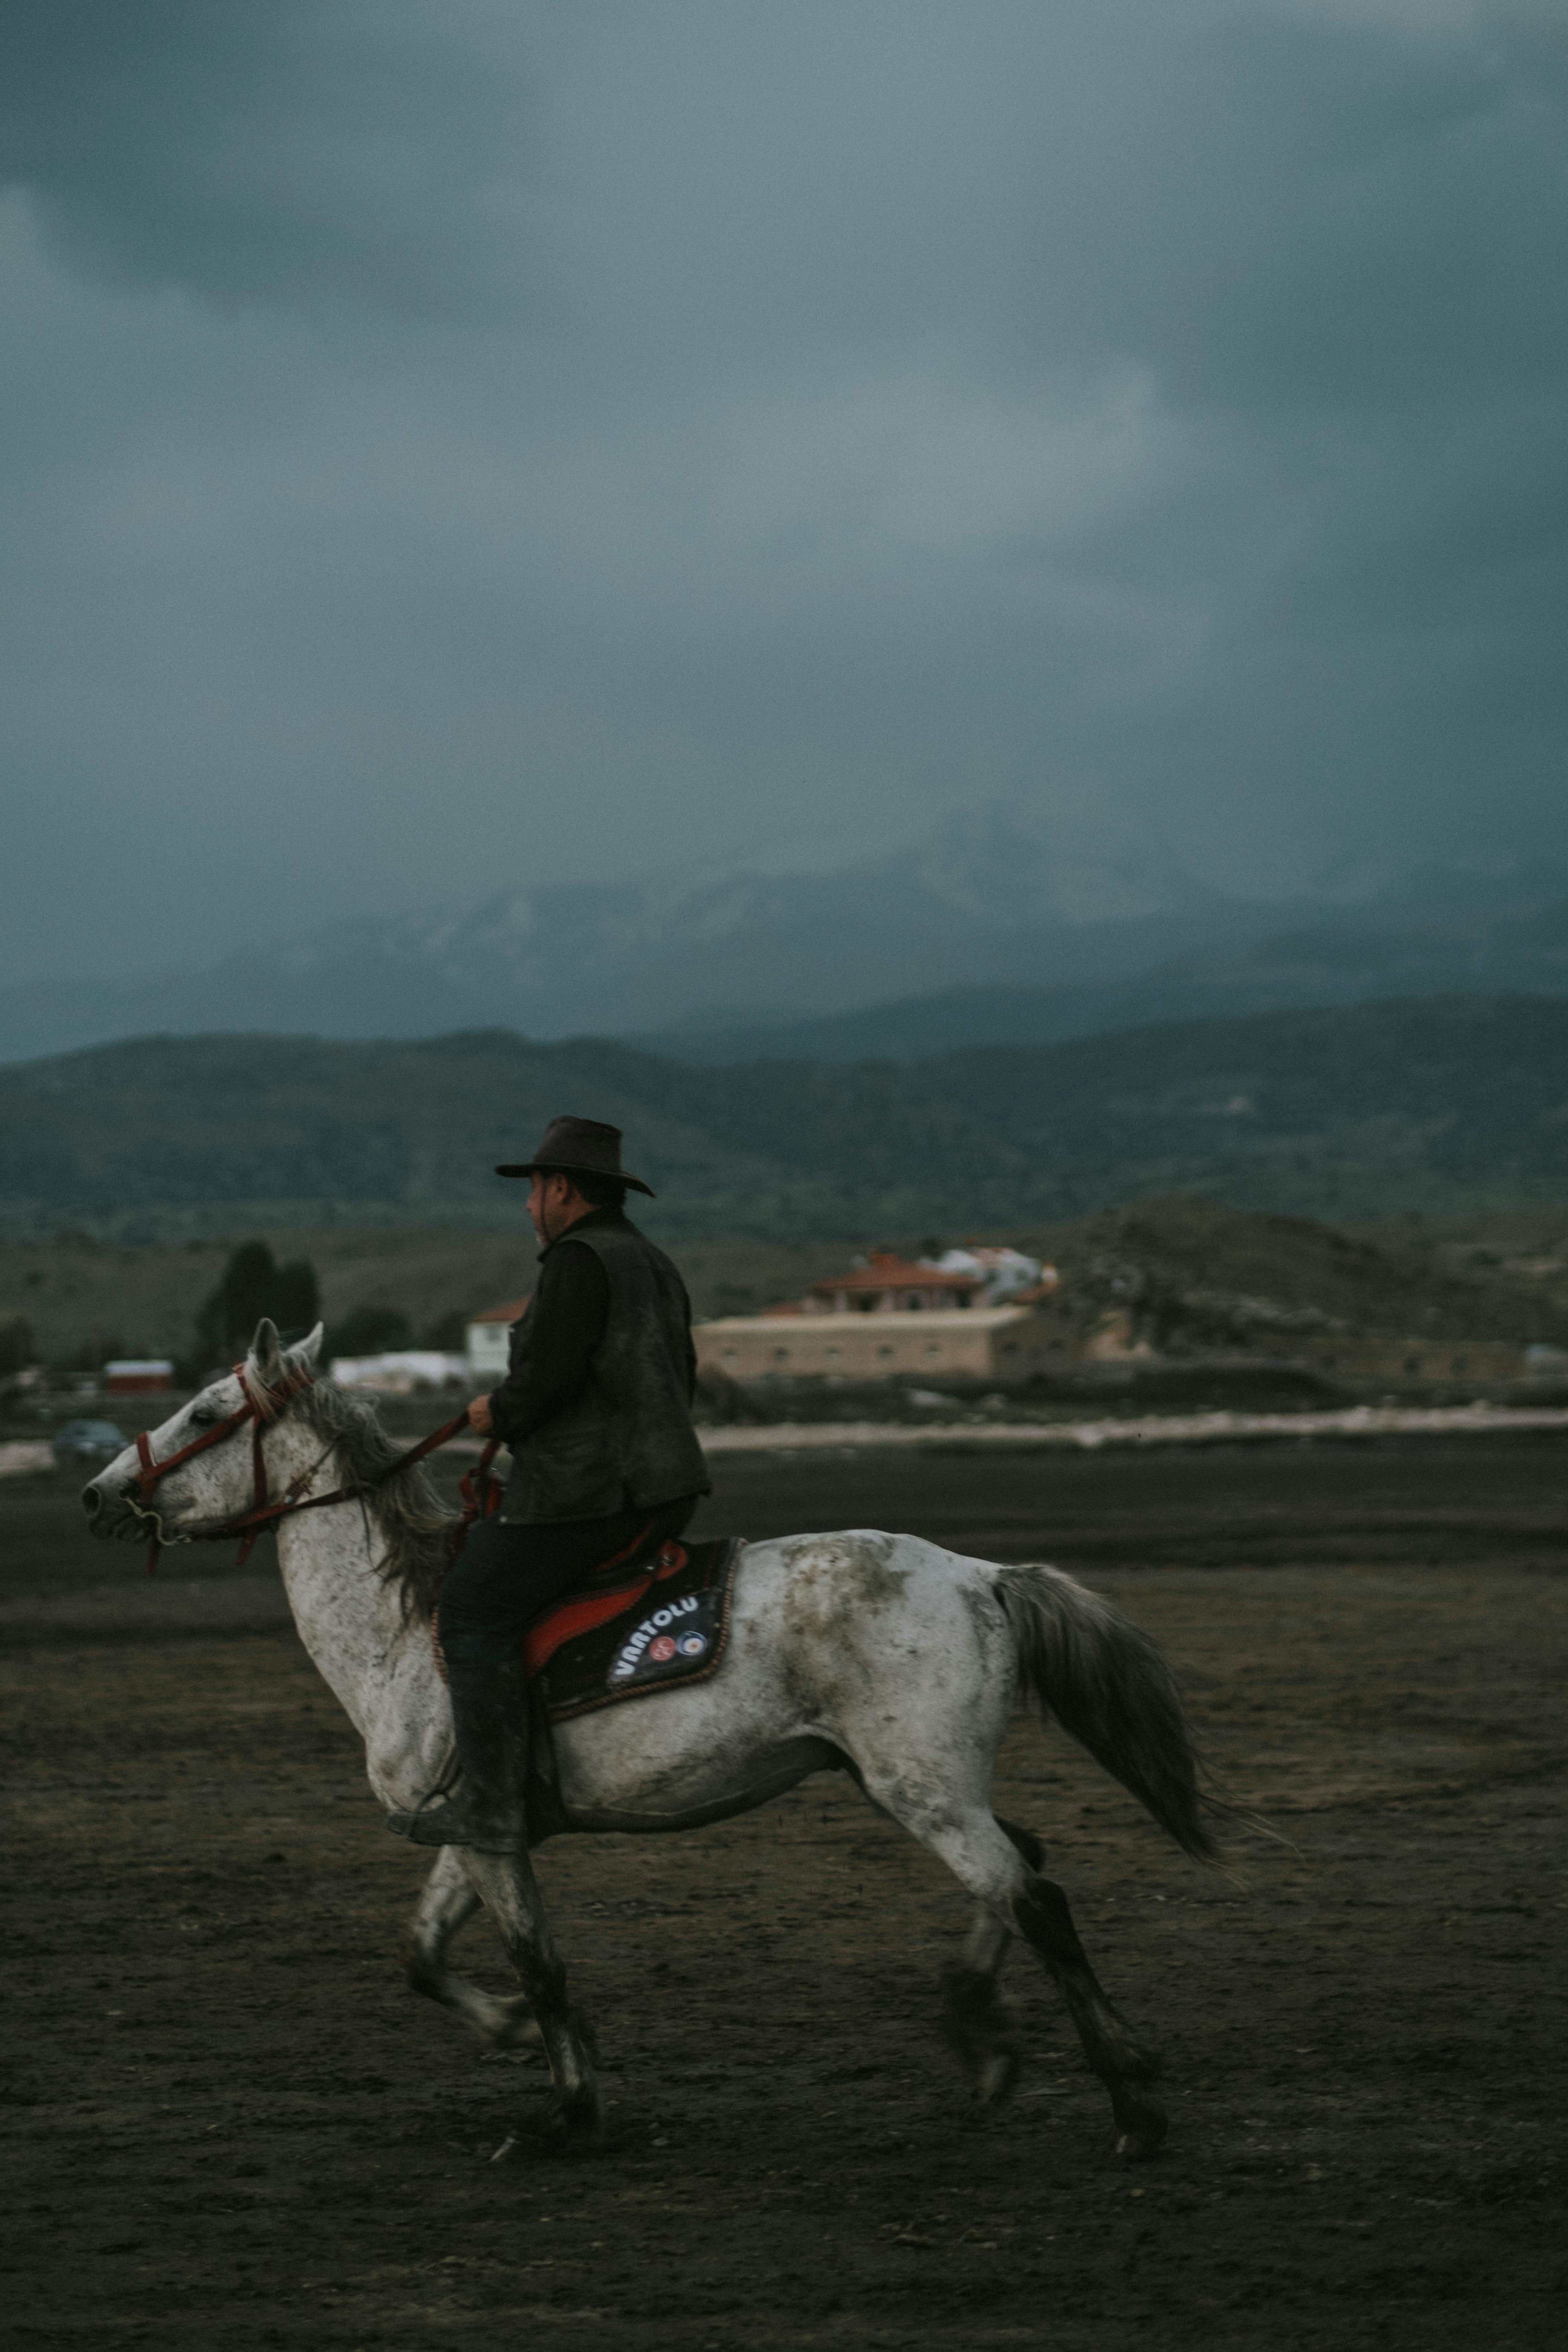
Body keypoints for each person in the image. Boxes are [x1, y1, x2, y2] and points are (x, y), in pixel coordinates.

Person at [387, 1116, 710, 1850]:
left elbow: (547, 1381)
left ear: (561, 1189)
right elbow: (674, 1378)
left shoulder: (577, 1259)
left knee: (471, 1606)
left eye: (533, 1192)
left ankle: (494, 1807)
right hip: (664, 1483)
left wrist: (493, 1411)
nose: (528, 1207)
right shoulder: (650, 1261)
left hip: (590, 1493)